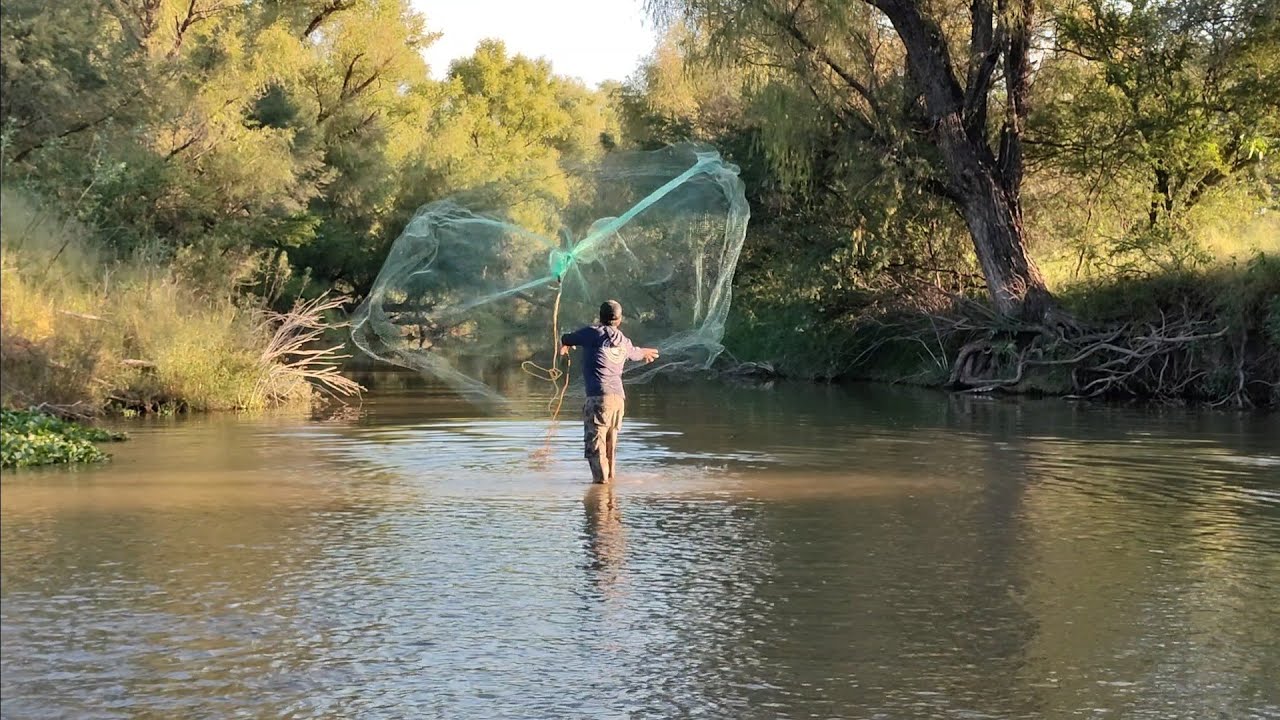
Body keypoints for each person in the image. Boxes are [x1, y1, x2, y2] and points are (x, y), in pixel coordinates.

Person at [559, 300, 659, 483]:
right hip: (618, 401)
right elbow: (635, 353)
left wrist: (565, 344)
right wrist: (643, 352)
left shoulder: (592, 333)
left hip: (599, 398)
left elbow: (566, 337)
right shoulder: (624, 341)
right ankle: (611, 494)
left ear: (600, 317)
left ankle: (601, 495)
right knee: (610, 447)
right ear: (619, 320)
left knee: (596, 449)